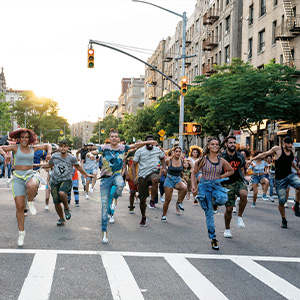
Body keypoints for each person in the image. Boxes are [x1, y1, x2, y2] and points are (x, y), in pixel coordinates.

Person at [88, 129, 157, 243]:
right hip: (105, 180)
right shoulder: (104, 148)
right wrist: (90, 155)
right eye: (112, 137)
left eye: (116, 136)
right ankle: (104, 234)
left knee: (120, 184)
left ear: (118, 139)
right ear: (109, 139)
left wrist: (147, 143)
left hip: (116, 176)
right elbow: (93, 152)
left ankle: (114, 199)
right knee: (104, 209)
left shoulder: (122, 148)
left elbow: (135, 145)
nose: (114, 138)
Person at [0, 128, 52, 246]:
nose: (24, 139)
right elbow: (0, 147)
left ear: (30, 139)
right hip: (17, 178)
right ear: (19, 138)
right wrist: (5, 154)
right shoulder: (15, 148)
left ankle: (30, 202)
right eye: (22, 137)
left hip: (30, 175)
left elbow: (48, 145)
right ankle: (21, 234)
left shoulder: (33, 148)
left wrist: (49, 153)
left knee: (33, 184)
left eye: (26, 137)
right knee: (19, 207)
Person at [35, 140, 93, 227]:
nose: (63, 148)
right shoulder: (54, 157)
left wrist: (86, 174)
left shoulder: (71, 158)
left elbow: (79, 167)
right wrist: (36, 165)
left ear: (67, 148)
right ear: (59, 147)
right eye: (61, 146)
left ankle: (66, 208)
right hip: (54, 181)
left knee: (62, 193)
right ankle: (62, 219)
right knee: (56, 202)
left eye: (65, 146)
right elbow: (49, 165)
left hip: (66, 180)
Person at [191, 138, 234, 250]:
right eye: (212, 144)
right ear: (208, 146)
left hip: (216, 185)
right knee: (209, 214)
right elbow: (194, 173)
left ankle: (215, 204)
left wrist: (221, 177)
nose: (215, 146)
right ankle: (213, 239)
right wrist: (193, 185)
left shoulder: (221, 160)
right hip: (204, 187)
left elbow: (231, 170)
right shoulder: (202, 160)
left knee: (223, 198)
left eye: (217, 144)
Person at [250, 136, 300, 228]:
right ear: (284, 143)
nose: (290, 145)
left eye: (291, 143)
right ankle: (284, 219)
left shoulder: (292, 151)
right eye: (288, 143)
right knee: (282, 201)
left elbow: (291, 163)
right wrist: (252, 159)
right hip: (279, 179)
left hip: (290, 176)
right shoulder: (277, 149)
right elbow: (264, 154)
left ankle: (296, 204)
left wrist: (297, 170)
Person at [132, 134, 166, 227]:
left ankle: (152, 200)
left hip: (153, 172)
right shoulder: (140, 151)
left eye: (152, 141)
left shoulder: (158, 150)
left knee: (155, 179)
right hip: (142, 175)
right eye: (148, 141)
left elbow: (163, 159)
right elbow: (133, 165)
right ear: (146, 143)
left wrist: (164, 168)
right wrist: (134, 178)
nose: (151, 143)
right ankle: (143, 216)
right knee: (142, 200)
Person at [221, 136, 249, 238]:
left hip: (238, 181)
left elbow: (241, 169)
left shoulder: (240, 156)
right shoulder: (221, 156)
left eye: (234, 143)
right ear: (226, 144)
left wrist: (245, 178)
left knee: (244, 194)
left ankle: (239, 217)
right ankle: (227, 229)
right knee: (229, 209)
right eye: (230, 143)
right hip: (226, 183)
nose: (232, 144)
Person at [161, 146, 187, 222]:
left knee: (184, 188)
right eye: (177, 151)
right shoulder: (169, 160)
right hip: (169, 179)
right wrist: (164, 169)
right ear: (173, 152)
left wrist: (183, 177)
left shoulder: (182, 161)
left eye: (179, 152)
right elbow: (163, 163)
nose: (178, 153)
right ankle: (164, 215)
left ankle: (179, 203)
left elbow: (182, 171)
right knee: (168, 200)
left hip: (178, 179)